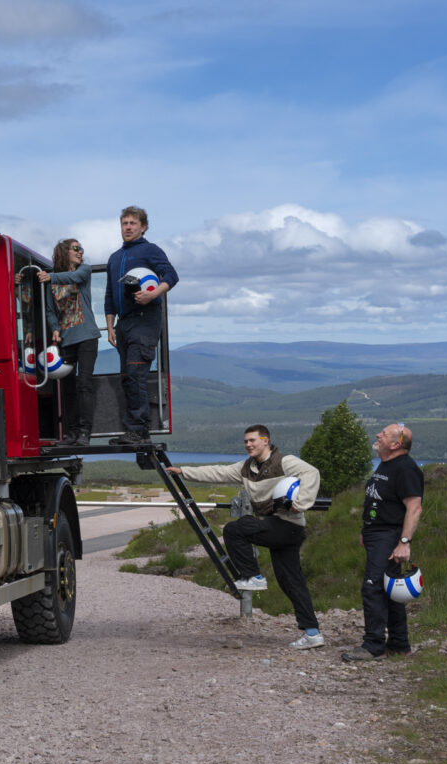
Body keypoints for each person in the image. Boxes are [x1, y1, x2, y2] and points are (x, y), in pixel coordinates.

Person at [169, 425, 325, 649]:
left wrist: (300, 505)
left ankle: (253, 576)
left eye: (253, 440)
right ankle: (312, 633)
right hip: (278, 529)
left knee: (235, 529)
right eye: (246, 442)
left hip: (287, 526)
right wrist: (183, 471)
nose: (248, 445)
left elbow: (312, 473)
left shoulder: (284, 461)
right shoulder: (246, 468)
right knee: (291, 582)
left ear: (265, 441)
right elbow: (217, 472)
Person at [344, 422, 424, 662]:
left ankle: (373, 645)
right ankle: (399, 644)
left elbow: (414, 508)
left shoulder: (406, 469)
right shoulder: (386, 465)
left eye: (384, 434)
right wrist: (366, 529)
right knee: (391, 591)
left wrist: (404, 542)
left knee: (373, 587)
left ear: (395, 444)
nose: (378, 435)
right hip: (376, 535)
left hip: (389, 537)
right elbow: (380, 501)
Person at [103, 206, 178, 445]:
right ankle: (133, 430)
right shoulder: (114, 257)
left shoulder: (151, 250)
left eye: (132, 223)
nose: (127, 227)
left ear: (143, 227)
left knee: (136, 374)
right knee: (127, 377)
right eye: (124, 223)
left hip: (145, 320)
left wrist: (152, 294)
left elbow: (171, 275)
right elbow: (108, 295)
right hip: (123, 325)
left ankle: (138, 429)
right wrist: (110, 326)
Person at [33, 239, 99, 445]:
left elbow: (75, 276)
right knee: (67, 388)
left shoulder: (84, 270)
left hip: (87, 337)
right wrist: (54, 328)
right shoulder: (50, 281)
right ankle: (70, 433)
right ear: (64, 252)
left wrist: (50, 276)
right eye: (76, 249)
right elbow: (50, 310)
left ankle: (84, 432)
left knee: (84, 384)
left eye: (81, 249)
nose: (80, 252)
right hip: (66, 340)